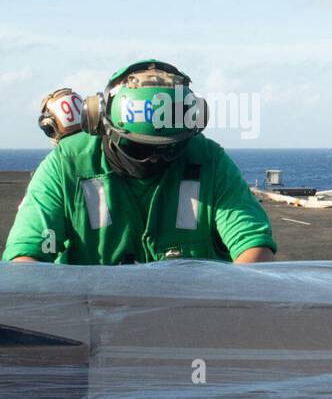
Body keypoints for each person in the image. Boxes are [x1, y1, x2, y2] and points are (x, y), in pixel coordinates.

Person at [4, 61, 275, 265]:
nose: (154, 159)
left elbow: (253, 246)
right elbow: (26, 258)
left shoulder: (209, 160)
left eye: (170, 148)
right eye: (138, 147)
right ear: (101, 123)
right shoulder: (68, 164)